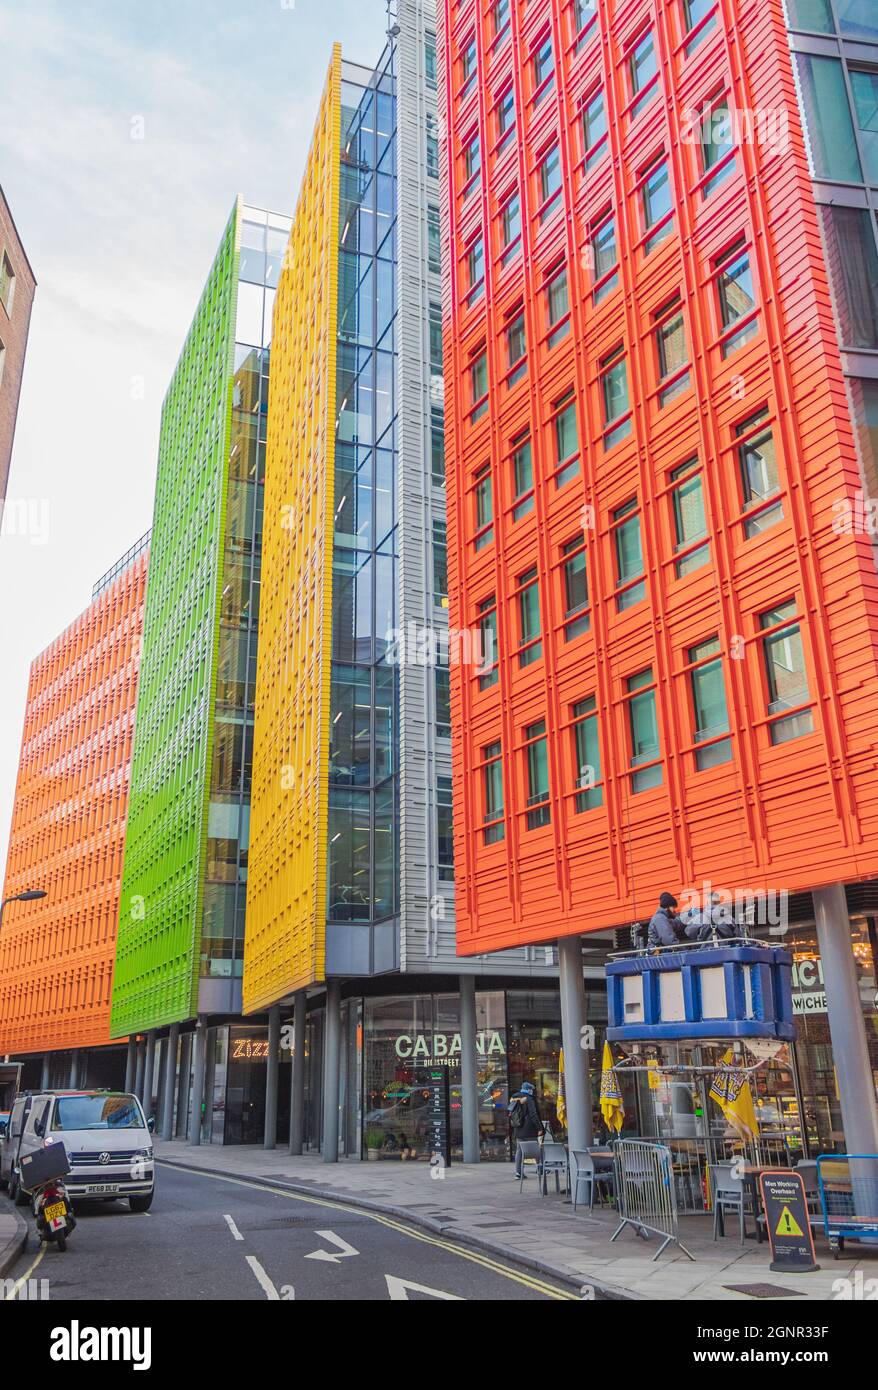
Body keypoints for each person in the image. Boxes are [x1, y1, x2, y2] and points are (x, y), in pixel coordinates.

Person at [508, 1081, 543, 1178]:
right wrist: (539, 1127)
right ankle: (541, 1169)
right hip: (529, 1129)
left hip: (518, 1128)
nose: (532, 1091)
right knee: (536, 1149)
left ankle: (518, 1173)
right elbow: (533, 1114)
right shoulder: (529, 1098)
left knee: (519, 1150)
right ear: (529, 1090)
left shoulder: (513, 1098)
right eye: (531, 1090)